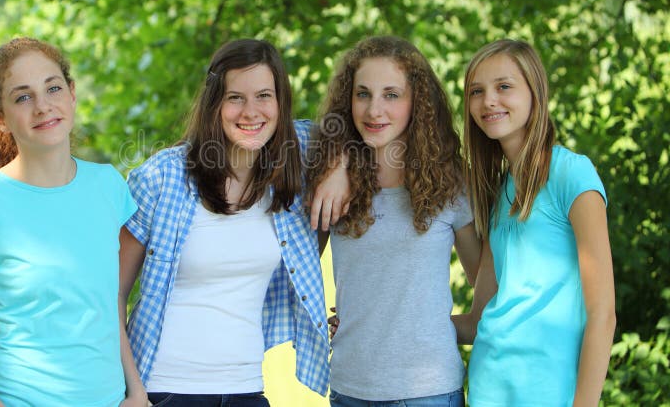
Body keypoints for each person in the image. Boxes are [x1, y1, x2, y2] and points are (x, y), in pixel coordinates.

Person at [118, 38, 349, 407]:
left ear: (280, 102)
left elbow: (355, 132)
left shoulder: (297, 157)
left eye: (263, 96)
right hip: (165, 389)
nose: (251, 111)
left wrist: (339, 167)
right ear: (215, 103)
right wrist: (133, 391)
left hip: (245, 389)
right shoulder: (163, 177)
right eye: (235, 97)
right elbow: (111, 293)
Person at [0, 37, 146, 406]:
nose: (43, 106)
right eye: (23, 97)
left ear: (72, 93)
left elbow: (108, 305)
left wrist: (137, 392)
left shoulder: (109, 186)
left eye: (52, 88)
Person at [307, 35, 481, 407]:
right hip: (349, 389)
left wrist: (434, 326)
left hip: (428, 393)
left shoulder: (452, 183)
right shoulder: (333, 183)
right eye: (363, 94)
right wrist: (337, 161)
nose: (374, 110)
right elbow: (295, 269)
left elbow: (488, 284)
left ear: (417, 102)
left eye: (391, 94)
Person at [454, 39, 616, 406]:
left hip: (550, 393)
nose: (488, 101)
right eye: (476, 91)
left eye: (504, 87)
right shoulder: (499, 197)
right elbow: (480, 320)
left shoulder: (572, 174)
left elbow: (603, 314)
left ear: (535, 93)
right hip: (487, 390)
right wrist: (384, 322)